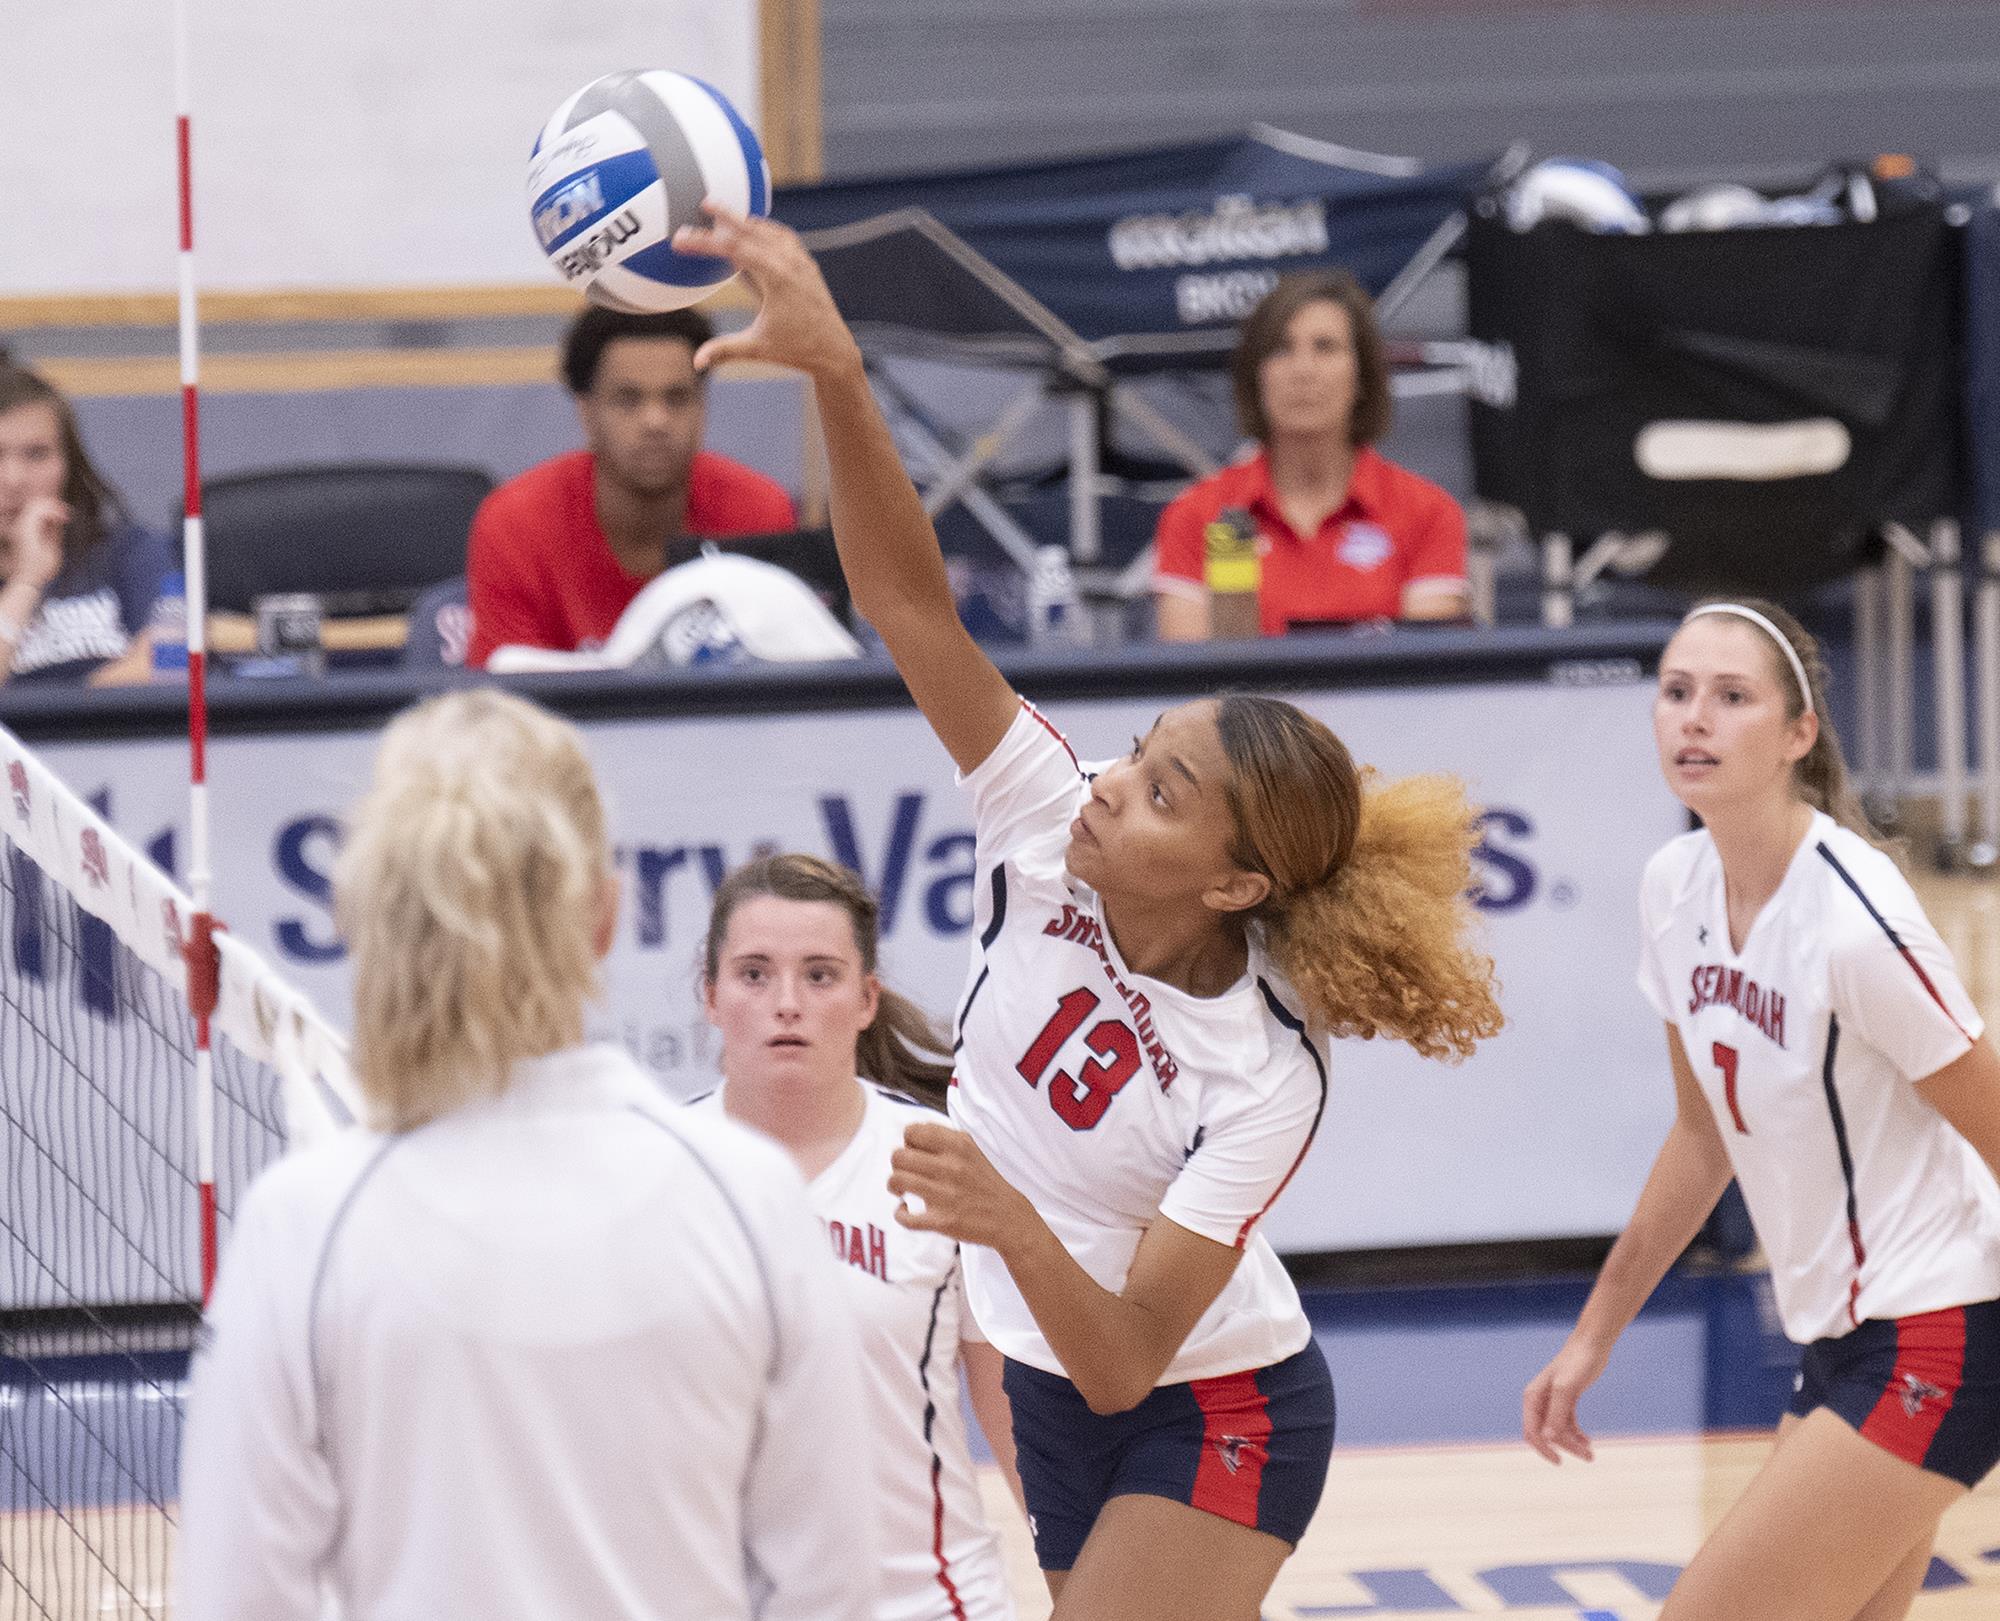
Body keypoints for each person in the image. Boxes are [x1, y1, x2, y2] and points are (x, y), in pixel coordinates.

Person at [676, 206, 1503, 1621]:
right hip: (1057, 1390)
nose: (1116, 785)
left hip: (1217, 1405)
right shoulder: (1046, 822)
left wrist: (1000, 1213)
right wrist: (836, 371)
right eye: (1140, 748)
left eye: (1166, 792)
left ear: (1234, 881)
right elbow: (904, 602)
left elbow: (1132, 1356)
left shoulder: (1263, 1075)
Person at [176, 689, 874, 1621]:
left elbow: (238, 1602)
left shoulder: (303, 1226)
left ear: (371, 911)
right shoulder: (748, 1200)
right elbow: (828, 1593)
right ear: (606, 914)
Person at [1523, 600, 2000, 1621]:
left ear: (1796, 735)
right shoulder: (1671, 886)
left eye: (1730, 697)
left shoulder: (1853, 925)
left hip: (1940, 1325)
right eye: (1676, 691)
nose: (1693, 717)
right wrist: (1592, 1334)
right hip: (1836, 1335)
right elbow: (1702, 1139)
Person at [694, 852, 1022, 1621]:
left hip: (930, 1604)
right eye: (753, 973)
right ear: (709, 995)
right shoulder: (653, 1175)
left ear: (866, 997)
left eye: (819, 974)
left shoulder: (945, 1164)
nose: (786, 1003)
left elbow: (1026, 1435)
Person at [465, 305, 797, 667]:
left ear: (702, 405)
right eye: (628, 399)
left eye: (677, 397)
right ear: (586, 411)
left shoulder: (759, 510)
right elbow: (505, 706)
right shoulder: (516, 524)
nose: (656, 421)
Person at [1150, 270, 1469, 640]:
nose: (1303, 370)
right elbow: (1193, 681)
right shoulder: (1197, 515)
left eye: (1325, 347)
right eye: (1282, 349)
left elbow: (1427, 678)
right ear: (1256, 376)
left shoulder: (1428, 512)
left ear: (1364, 376)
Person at [0, 361, 171, 684]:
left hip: (114, 733)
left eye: (37, 455)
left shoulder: (127, 552)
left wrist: (68, 716)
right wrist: (27, 580)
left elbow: (166, 661)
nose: (14, 479)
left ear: (69, 464)